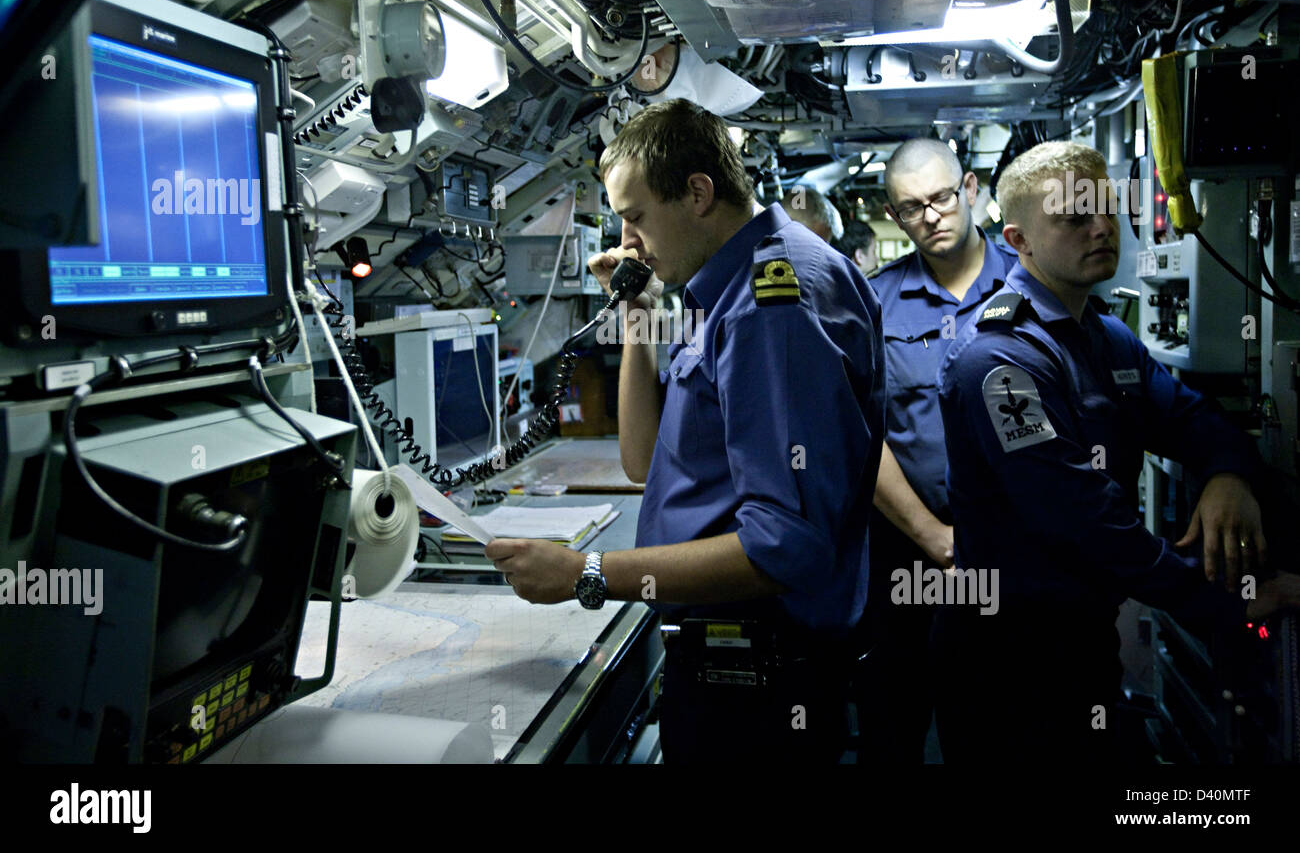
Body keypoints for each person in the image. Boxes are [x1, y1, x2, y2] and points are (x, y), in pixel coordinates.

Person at [485, 99, 885, 763]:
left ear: (698, 193)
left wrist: (588, 572)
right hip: (730, 661)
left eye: (636, 217)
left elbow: (785, 546)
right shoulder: (725, 292)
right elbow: (646, 462)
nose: (628, 241)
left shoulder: (771, 304)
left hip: (760, 678)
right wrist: (638, 320)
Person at [934, 140, 1300, 762]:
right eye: (1075, 217)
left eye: (1106, 209)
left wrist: (1227, 476)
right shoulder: (998, 361)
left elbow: (1193, 419)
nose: (1103, 227)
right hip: (1008, 663)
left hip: (1080, 643)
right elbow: (1083, 521)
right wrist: (1234, 599)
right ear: (1019, 240)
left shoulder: (1105, 337)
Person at [853, 138, 1017, 764]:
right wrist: (931, 536)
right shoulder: (872, 303)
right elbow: (859, 434)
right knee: (893, 726)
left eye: (943, 197)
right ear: (894, 217)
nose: (932, 215)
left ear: (971, 190)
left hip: (1012, 558)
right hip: (906, 556)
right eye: (912, 207)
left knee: (991, 731)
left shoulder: (1033, 286)